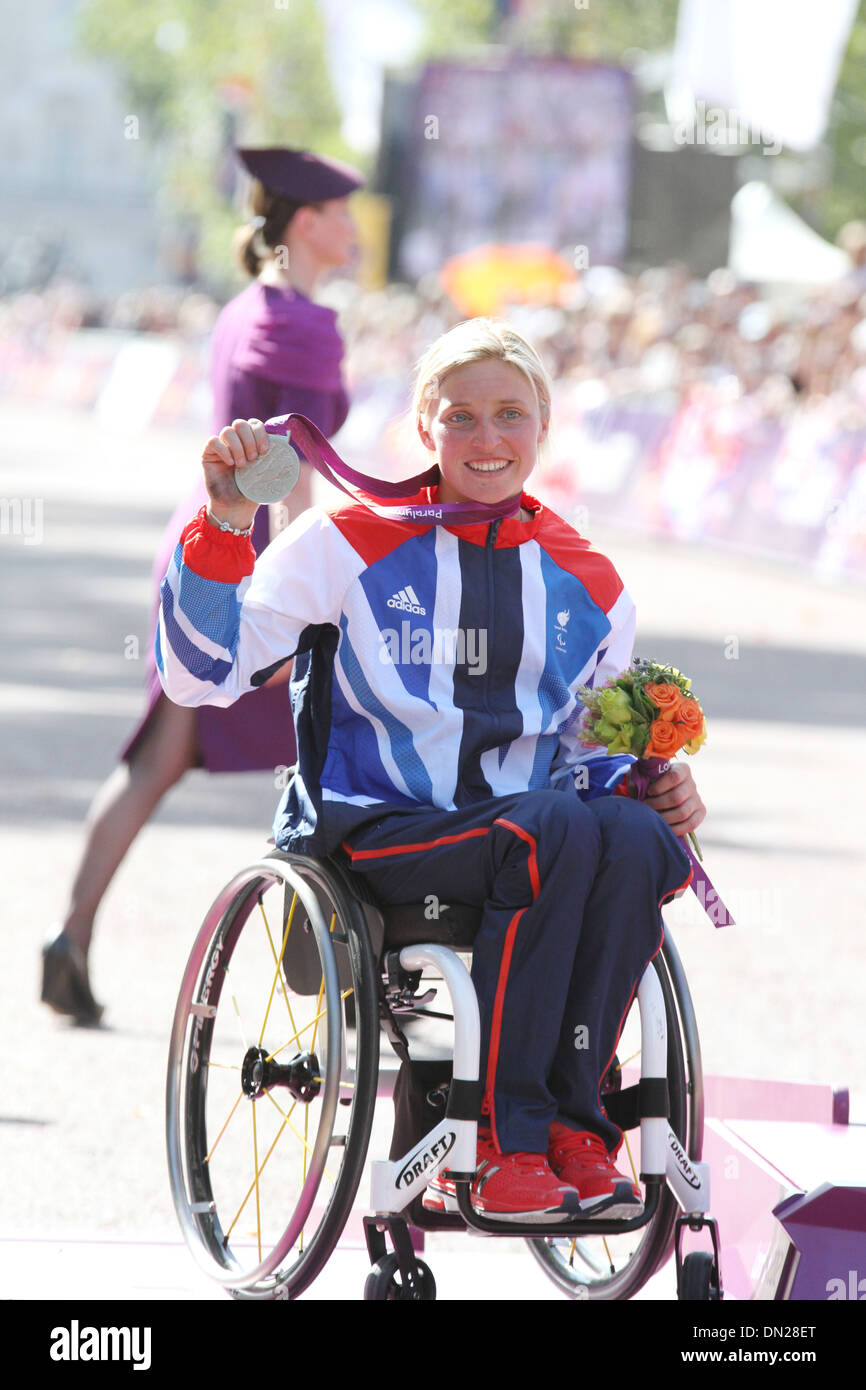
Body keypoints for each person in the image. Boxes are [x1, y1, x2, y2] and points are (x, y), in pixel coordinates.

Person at [155, 318, 705, 1222]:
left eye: (510, 416)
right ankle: (497, 1136)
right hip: (370, 832)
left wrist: (653, 785)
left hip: (527, 832)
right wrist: (223, 520)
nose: (487, 440)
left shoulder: (590, 579)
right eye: (461, 419)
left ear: (543, 426)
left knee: (638, 837)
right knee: (553, 825)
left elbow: (589, 760)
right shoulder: (345, 542)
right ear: (423, 428)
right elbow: (196, 675)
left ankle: (574, 1127)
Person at [41, 147, 363, 1025]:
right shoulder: (301, 320)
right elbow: (290, 468)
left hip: (206, 538)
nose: (355, 227)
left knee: (159, 759)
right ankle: (313, 950)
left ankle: (69, 939)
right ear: (306, 222)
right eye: (342, 211)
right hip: (256, 551)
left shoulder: (249, 309)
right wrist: (315, 578)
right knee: (325, 736)